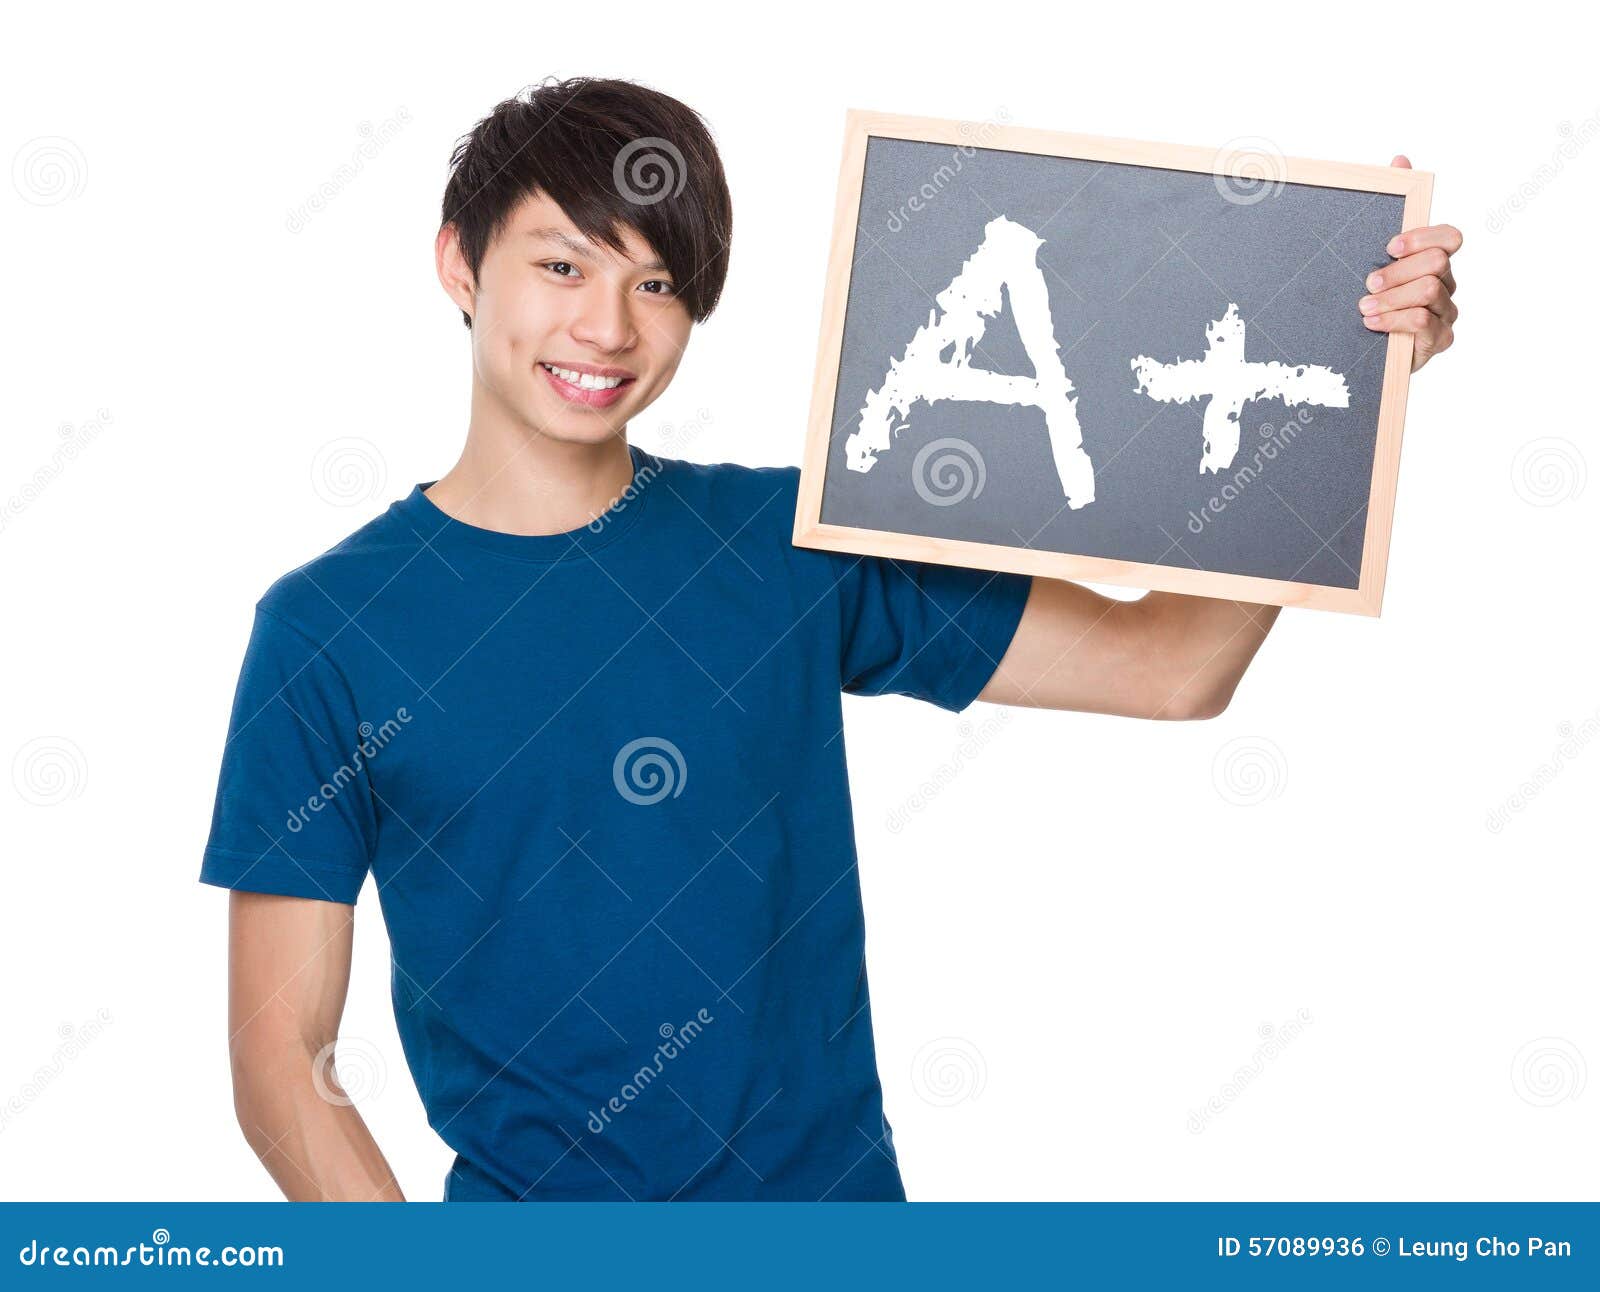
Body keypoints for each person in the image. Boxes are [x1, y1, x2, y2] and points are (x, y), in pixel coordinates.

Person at [201, 77, 1461, 1201]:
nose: (608, 327)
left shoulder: (784, 539)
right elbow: (278, 1058)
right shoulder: (327, 629)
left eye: (657, 283)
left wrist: (1350, 379)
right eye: (565, 267)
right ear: (459, 265)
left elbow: (1170, 667)